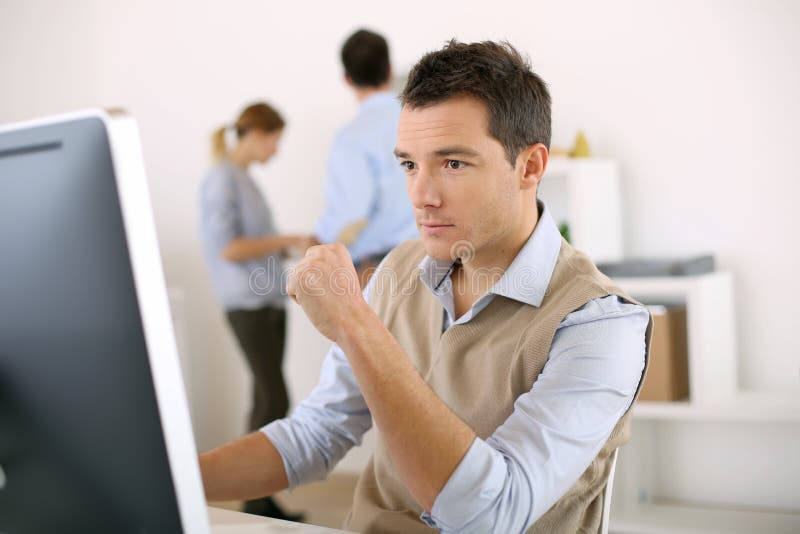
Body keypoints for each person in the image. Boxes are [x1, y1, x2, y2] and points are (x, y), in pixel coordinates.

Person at [200, 42, 653, 533]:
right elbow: (316, 433)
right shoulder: (400, 269)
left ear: (530, 167)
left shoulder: (599, 322)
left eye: (453, 164)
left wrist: (355, 324)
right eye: (410, 165)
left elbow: (491, 515)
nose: (421, 196)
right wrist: (167, 481)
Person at [198, 102, 311, 520]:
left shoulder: (242, 179)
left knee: (265, 398)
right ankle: (253, 499)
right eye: (276, 140)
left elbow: (250, 246)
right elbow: (229, 248)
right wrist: (286, 239)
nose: (277, 151)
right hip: (248, 305)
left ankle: (260, 500)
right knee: (274, 397)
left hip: (266, 301)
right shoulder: (221, 180)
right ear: (258, 134)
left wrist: (287, 246)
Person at [314, 29, 418, 287]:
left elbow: (352, 211)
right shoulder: (420, 121)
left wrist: (317, 240)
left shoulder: (352, 138)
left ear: (347, 79)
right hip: (433, 259)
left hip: (379, 269)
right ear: (390, 70)